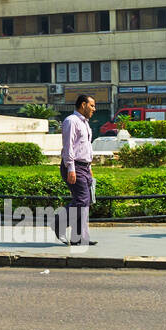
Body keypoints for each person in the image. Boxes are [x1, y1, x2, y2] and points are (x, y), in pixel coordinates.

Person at [54, 94, 97, 246]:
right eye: (92, 105)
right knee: (82, 200)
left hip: (84, 167)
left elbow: (85, 147)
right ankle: (58, 222)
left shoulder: (85, 123)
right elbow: (68, 146)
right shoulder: (71, 121)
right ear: (83, 105)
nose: (94, 109)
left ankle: (78, 237)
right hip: (74, 167)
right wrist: (70, 168)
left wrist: (89, 167)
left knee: (85, 203)